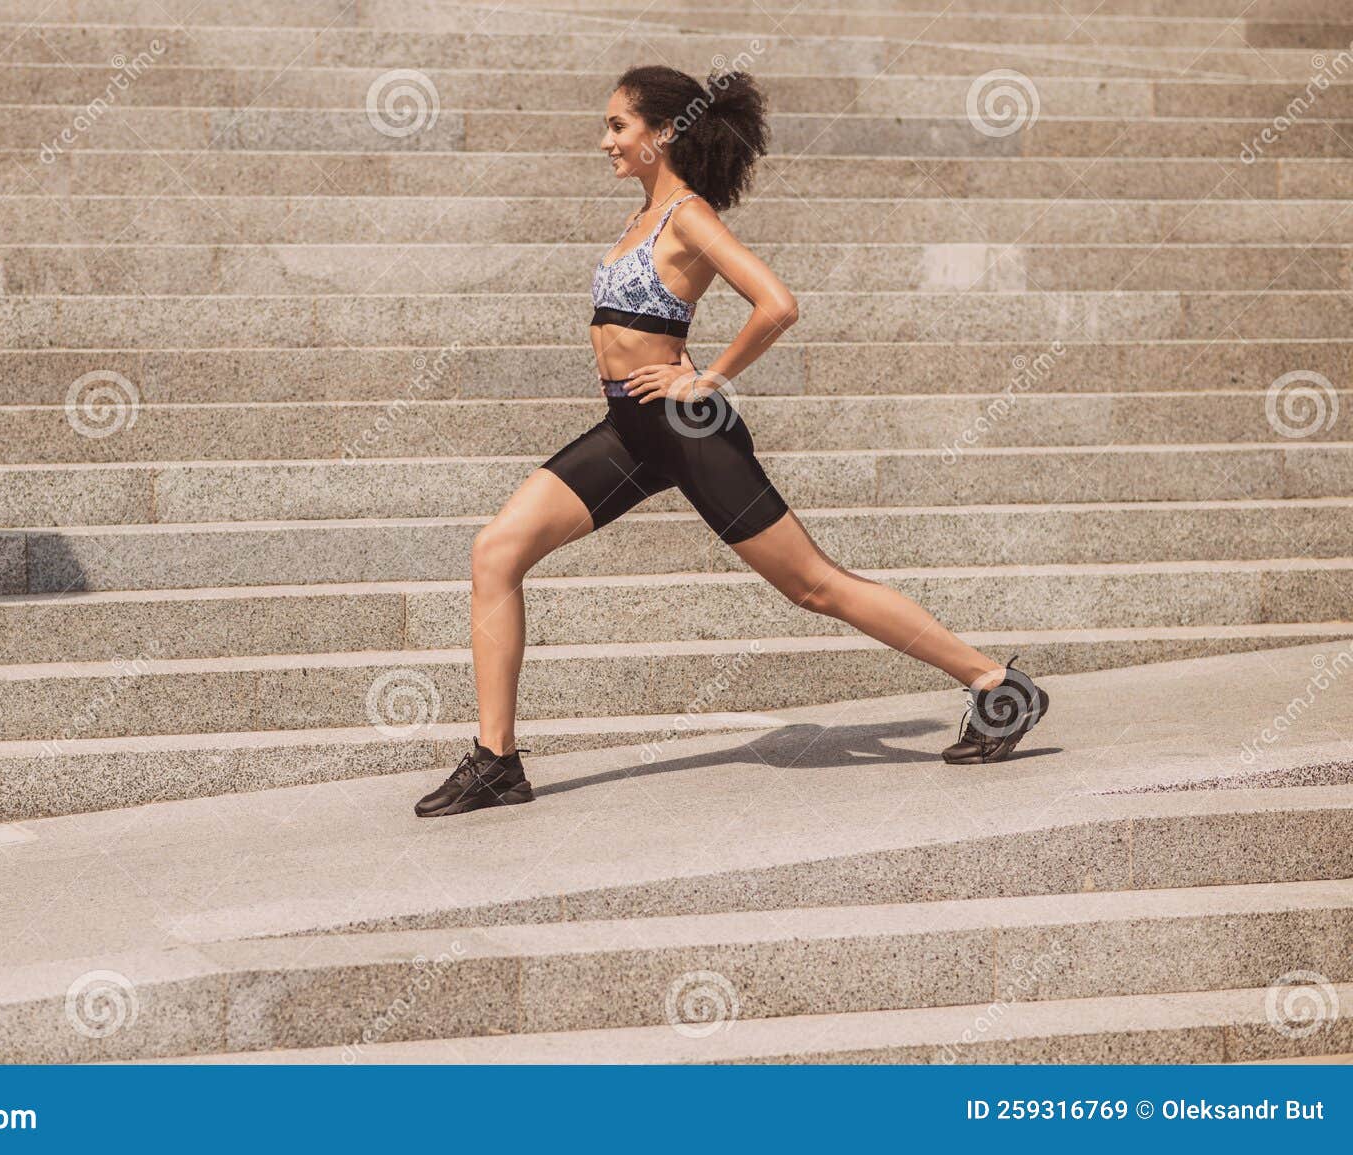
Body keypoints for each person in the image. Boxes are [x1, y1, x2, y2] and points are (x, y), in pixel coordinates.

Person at [415, 66, 1048, 818]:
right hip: (629, 429)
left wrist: (707, 378)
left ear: (663, 134)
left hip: (686, 430)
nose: (606, 141)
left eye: (618, 126)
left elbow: (777, 303)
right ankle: (496, 761)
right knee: (496, 552)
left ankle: (996, 684)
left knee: (813, 585)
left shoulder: (687, 215)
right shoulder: (642, 217)